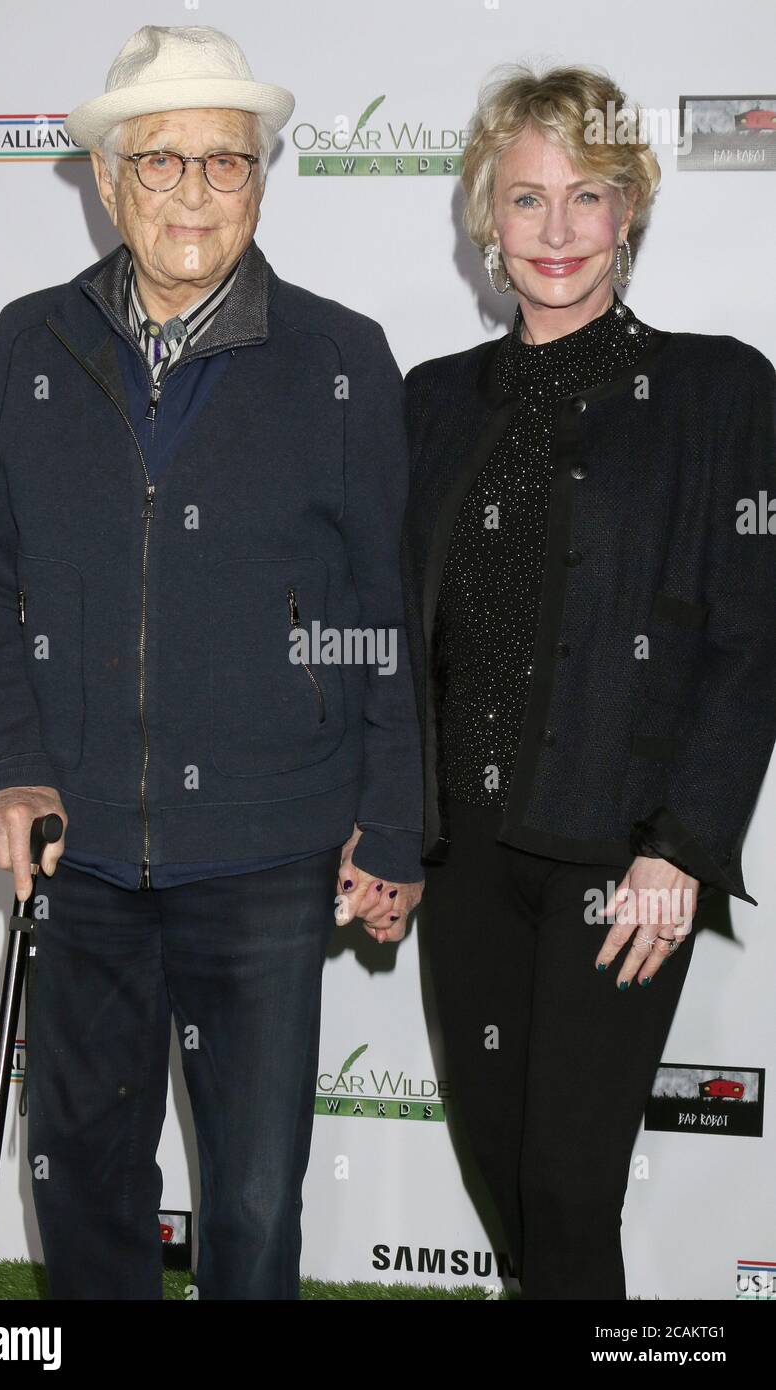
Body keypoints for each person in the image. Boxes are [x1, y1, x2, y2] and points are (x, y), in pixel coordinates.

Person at [0, 23, 423, 1300]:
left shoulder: (340, 358)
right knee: (85, 1180)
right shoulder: (27, 343)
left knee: (253, 1207)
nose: (196, 194)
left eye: (226, 163)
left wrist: (394, 822)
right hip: (80, 852)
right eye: (162, 164)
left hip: (267, 850)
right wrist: (15, 771)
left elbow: (382, 612)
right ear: (107, 182)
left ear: (262, 179)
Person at [400, 62, 776, 1299]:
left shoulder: (717, 390)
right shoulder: (431, 402)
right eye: (524, 199)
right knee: (500, 1172)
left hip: (621, 864)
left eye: (587, 196)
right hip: (462, 854)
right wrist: (388, 826)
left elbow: (748, 635)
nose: (554, 230)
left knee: (567, 1184)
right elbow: (403, 637)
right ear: (484, 222)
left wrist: (679, 848)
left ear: (630, 211)